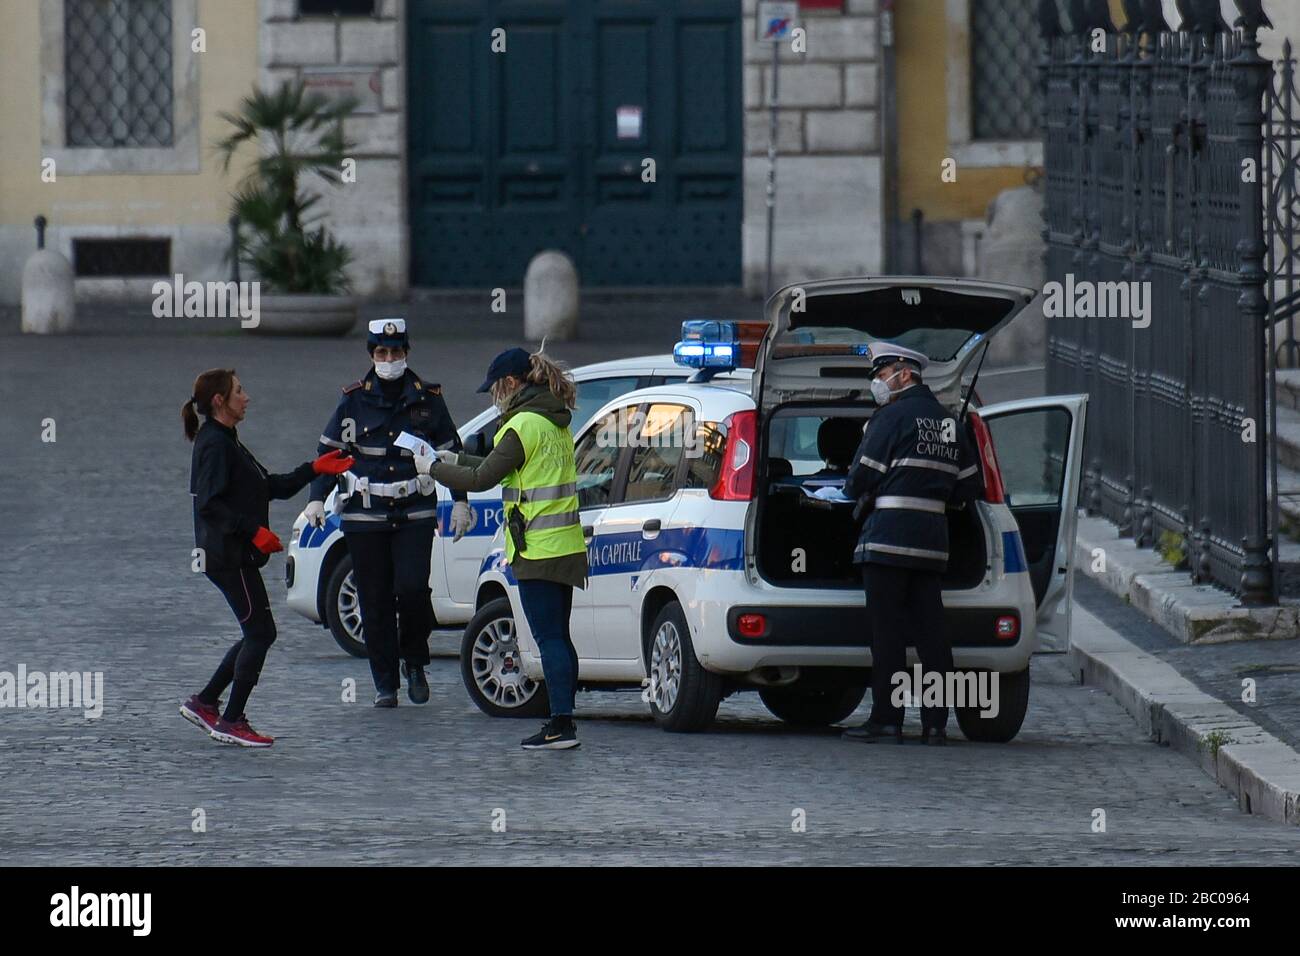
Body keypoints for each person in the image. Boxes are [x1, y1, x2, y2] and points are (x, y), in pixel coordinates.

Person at [423, 347, 588, 750]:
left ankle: (560, 725)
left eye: (496, 388)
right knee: (560, 637)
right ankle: (563, 719)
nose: (495, 396)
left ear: (511, 384)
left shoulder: (522, 425)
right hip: (564, 544)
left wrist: (432, 468)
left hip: (536, 548)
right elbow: (500, 464)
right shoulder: (554, 421)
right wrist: (452, 457)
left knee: (548, 639)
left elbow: (482, 479)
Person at [180, 368, 354, 747]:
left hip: (235, 554)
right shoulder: (214, 444)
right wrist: (253, 531)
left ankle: (206, 702)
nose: (247, 397)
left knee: (256, 632)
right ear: (219, 402)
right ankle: (229, 720)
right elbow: (209, 505)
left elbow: (268, 485)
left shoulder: (227, 439)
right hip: (227, 557)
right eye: (240, 391)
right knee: (260, 633)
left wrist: (314, 469)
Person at [304, 319, 473, 707]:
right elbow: (330, 456)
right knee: (374, 599)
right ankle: (385, 681)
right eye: (382, 353)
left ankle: (414, 661)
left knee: (413, 589)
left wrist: (460, 500)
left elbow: (450, 454)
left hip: (414, 510)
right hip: (365, 516)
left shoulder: (428, 399)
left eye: (396, 353)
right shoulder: (352, 400)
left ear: (406, 353)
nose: (390, 360)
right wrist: (317, 497)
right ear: (371, 355)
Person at [841, 342, 984, 745]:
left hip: (887, 539)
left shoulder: (890, 418)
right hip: (932, 542)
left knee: (887, 636)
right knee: (932, 637)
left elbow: (857, 482)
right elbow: (971, 485)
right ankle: (936, 724)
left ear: (904, 372)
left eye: (880, 373)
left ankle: (887, 720)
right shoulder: (948, 422)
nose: (876, 382)